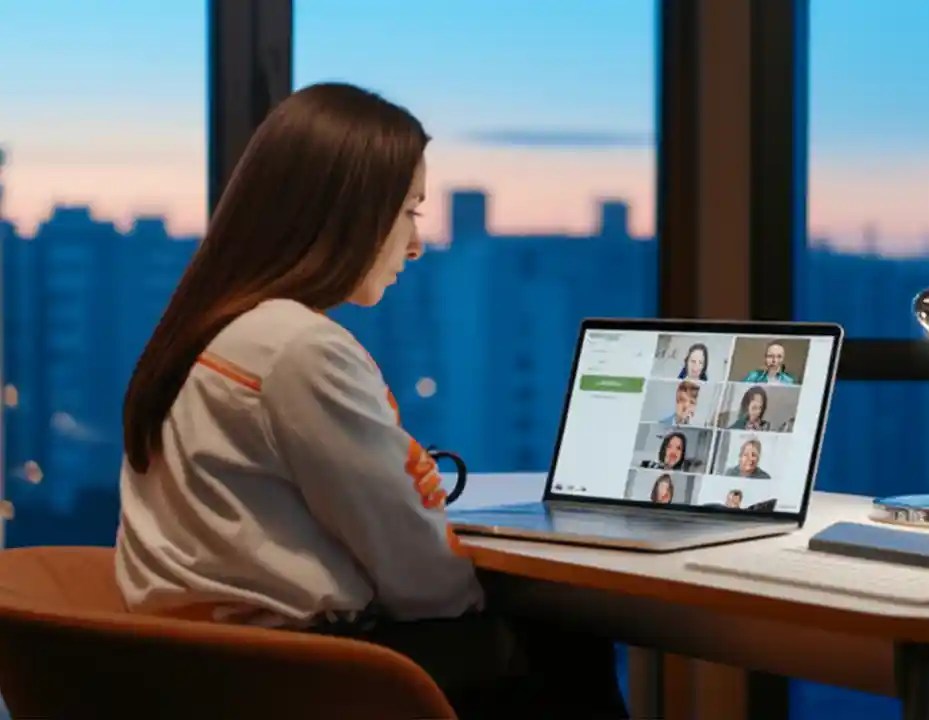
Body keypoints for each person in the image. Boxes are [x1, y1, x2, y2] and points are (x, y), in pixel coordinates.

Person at [114, 82, 626, 719]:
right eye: (410, 211)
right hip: (300, 676)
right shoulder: (300, 349)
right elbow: (424, 586)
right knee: (565, 646)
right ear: (348, 213)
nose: (414, 244)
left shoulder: (207, 331)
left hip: (202, 672)